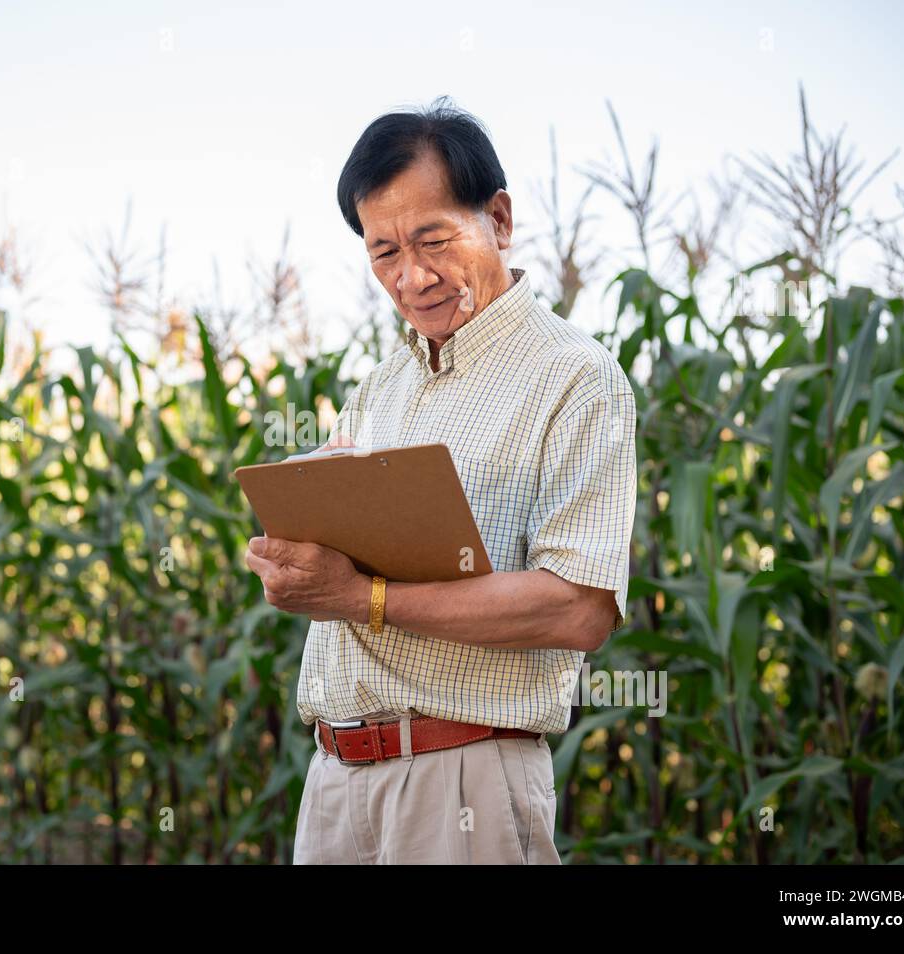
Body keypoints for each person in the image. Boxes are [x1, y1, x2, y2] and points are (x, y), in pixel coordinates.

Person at [244, 96, 637, 864]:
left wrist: (360, 598)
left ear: (498, 216)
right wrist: (287, 561)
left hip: (463, 783)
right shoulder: (380, 389)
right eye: (383, 252)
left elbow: (580, 609)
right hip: (333, 780)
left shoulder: (576, 377)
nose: (412, 276)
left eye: (433, 239)